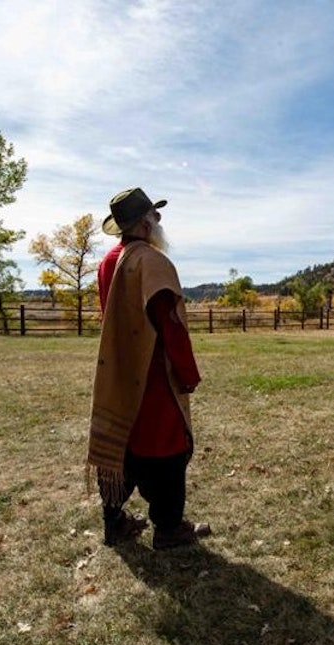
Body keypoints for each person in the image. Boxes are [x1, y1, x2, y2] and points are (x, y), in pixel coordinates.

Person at [87, 187, 211, 549]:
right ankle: (169, 528)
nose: (159, 222)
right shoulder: (153, 262)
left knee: (122, 444)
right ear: (145, 223)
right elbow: (170, 324)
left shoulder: (108, 261)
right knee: (166, 447)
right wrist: (187, 375)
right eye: (155, 216)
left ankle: (115, 522)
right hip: (155, 377)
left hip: (120, 371)